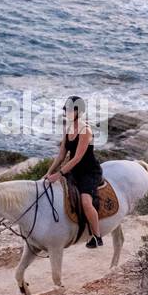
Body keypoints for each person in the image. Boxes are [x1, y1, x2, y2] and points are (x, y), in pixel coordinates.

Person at [44, 96, 104, 247]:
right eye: (66, 109)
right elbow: (62, 155)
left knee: (85, 201)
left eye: (70, 110)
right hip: (73, 170)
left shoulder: (86, 130)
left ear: (79, 111)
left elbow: (77, 158)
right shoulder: (67, 128)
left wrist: (59, 174)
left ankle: (97, 236)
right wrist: (49, 172)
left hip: (89, 172)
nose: (67, 112)